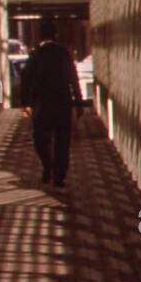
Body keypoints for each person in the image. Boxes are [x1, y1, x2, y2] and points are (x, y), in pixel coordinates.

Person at [19, 21, 83, 187]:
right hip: (62, 101)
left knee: (40, 138)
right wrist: (78, 100)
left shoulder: (36, 54)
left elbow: (26, 79)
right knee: (62, 140)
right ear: (56, 35)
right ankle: (59, 177)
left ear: (40, 36)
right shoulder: (64, 53)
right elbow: (73, 77)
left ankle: (48, 165)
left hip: (42, 103)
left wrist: (25, 103)